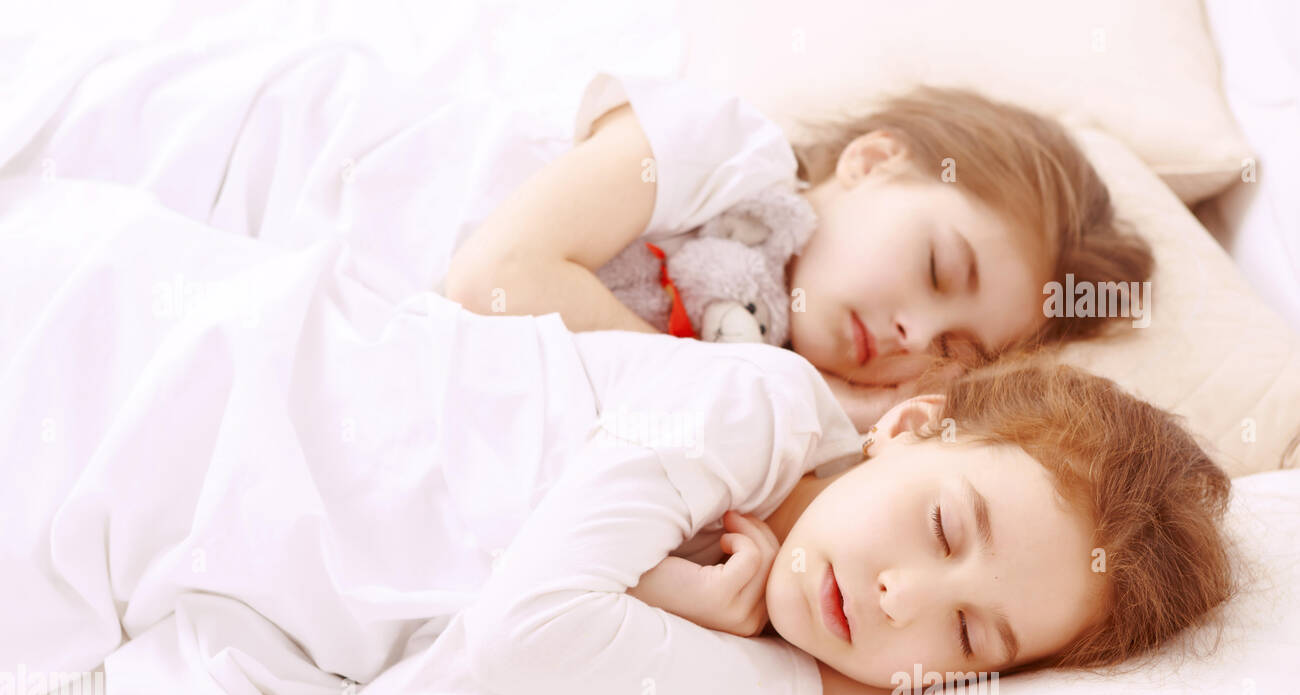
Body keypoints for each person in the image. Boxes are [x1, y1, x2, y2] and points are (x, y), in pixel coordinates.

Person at [303, 319, 1233, 695]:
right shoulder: (756, 414)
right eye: (944, 527)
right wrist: (595, 615)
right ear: (907, 428)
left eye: (964, 635)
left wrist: (646, 613)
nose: (901, 598)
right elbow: (526, 636)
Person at [443, 78, 1154, 430]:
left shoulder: (796, 415)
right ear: (874, 161)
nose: (915, 336)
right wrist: (756, 393)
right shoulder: (715, 150)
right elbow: (494, 280)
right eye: (937, 269)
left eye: (955, 349)